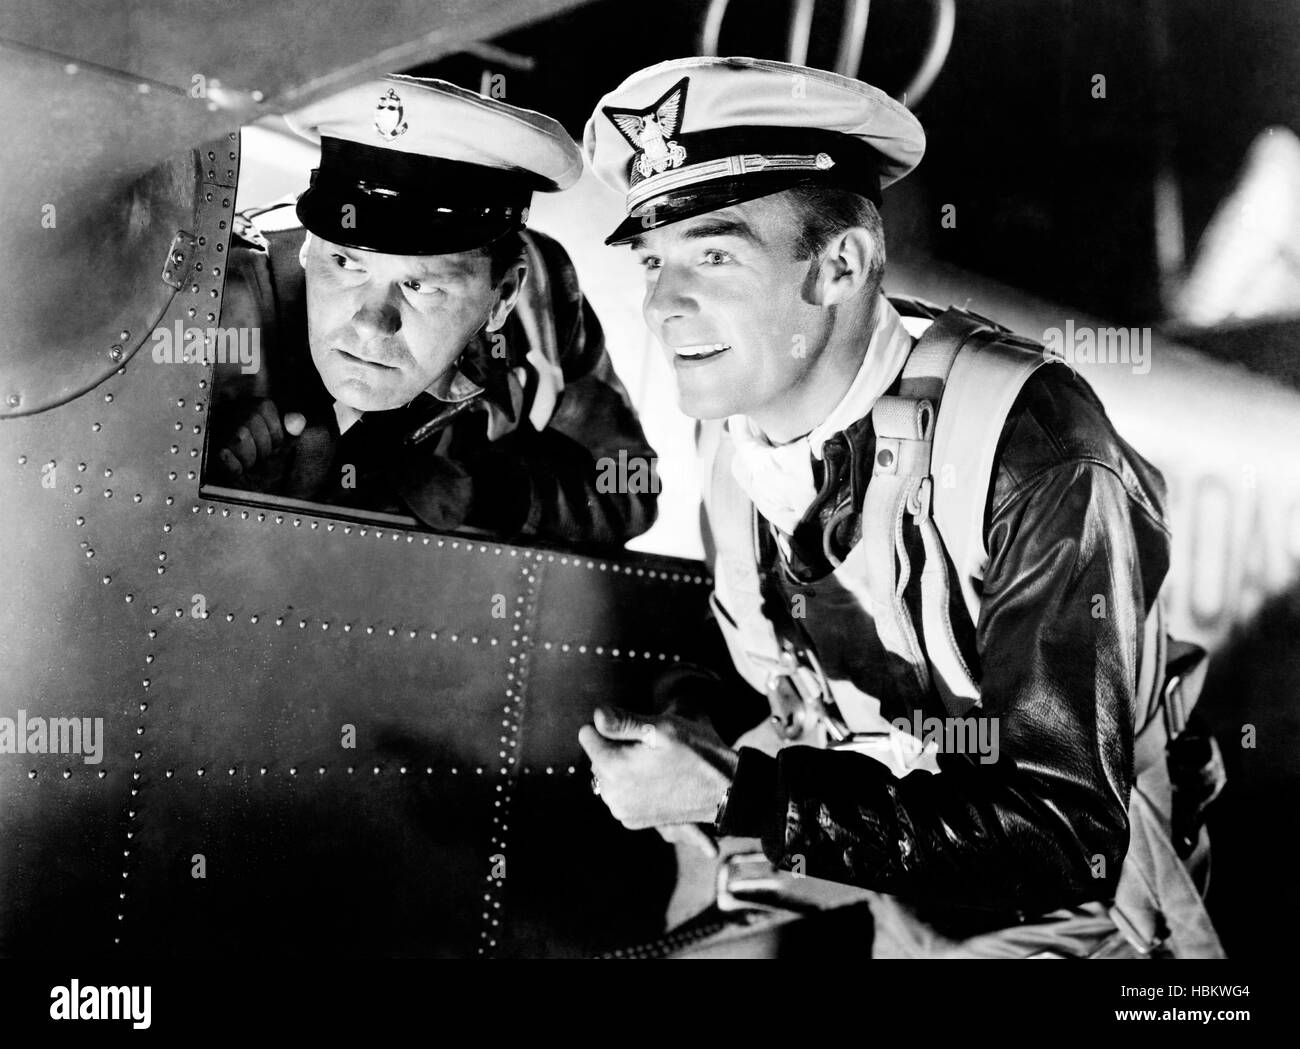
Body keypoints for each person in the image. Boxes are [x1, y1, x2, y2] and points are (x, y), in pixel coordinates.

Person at [577, 56, 1223, 957]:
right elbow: (804, 658)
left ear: (840, 264)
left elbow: (1065, 833)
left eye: (714, 254)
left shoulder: (1028, 442)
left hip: (1084, 922)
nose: (662, 304)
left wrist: (739, 795)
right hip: (903, 895)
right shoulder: (732, 428)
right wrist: (697, 722)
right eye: (653, 261)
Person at [210, 74, 657, 547]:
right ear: (309, 248)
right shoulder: (218, 299)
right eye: (344, 263)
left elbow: (629, 486)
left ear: (502, 296)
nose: (370, 322)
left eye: (419, 286)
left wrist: (473, 493)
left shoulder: (540, 299)